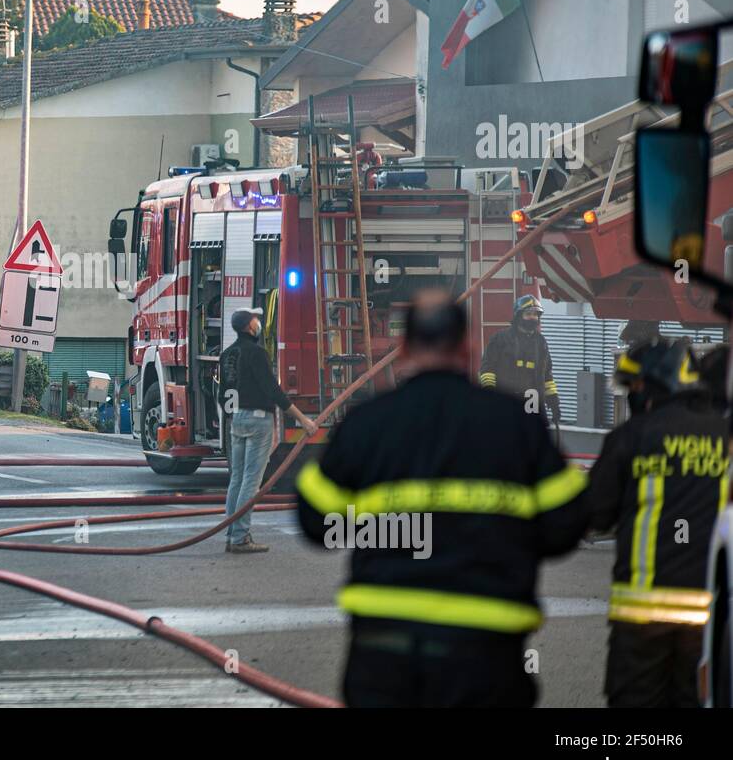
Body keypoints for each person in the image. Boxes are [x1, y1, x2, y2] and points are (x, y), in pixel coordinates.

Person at [296, 288, 589, 707]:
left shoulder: (367, 424)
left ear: (403, 348)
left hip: (385, 652)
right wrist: (505, 534)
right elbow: (568, 523)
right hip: (488, 652)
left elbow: (314, 520)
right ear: (468, 347)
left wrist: (382, 531)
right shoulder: (515, 426)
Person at [587, 340, 727, 707]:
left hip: (641, 616)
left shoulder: (631, 437)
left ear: (654, 384)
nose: (632, 395)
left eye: (634, 387)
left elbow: (595, 513)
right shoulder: (725, 440)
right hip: (708, 616)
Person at [223, 307, 318, 554]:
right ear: (249, 326)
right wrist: (304, 421)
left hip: (237, 420)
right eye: (256, 320)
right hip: (258, 421)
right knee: (251, 482)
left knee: (237, 479)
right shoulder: (257, 353)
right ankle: (240, 538)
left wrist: (234, 416)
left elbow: (224, 394)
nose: (259, 323)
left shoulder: (227, 354)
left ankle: (231, 533)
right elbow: (273, 391)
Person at [478, 293, 560, 423]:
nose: (532, 318)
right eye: (528, 314)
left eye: (535, 315)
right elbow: (487, 369)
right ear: (518, 316)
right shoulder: (500, 339)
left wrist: (553, 399)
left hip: (532, 402)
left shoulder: (540, 342)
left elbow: (547, 375)